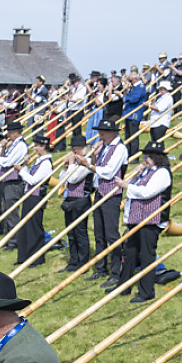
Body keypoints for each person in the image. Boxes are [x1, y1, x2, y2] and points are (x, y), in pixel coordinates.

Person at [110, 140, 172, 303]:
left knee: (146, 255)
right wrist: (134, 176)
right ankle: (123, 286)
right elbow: (133, 191)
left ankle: (146, 291)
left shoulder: (162, 173)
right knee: (129, 252)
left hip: (151, 221)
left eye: (148, 157)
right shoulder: (147, 171)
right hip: (136, 219)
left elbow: (147, 193)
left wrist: (126, 186)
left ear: (156, 158)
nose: (145, 159)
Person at [76, 119, 128, 282]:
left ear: (112, 133)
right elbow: (96, 168)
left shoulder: (120, 149)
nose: (100, 135)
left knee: (111, 234)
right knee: (99, 233)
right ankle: (101, 268)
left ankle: (116, 271)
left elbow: (109, 172)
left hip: (112, 194)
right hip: (100, 192)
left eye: (102, 132)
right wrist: (93, 156)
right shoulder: (104, 147)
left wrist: (88, 165)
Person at [14, 137, 52, 266]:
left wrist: (20, 170)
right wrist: (24, 166)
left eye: (36, 146)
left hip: (36, 198)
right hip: (29, 196)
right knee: (25, 226)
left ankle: (36, 259)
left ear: (43, 146)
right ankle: (23, 256)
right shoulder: (38, 161)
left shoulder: (46, 163)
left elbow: (33, 181)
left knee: (34, 227)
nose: (34, 148)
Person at [57, 137, 93, 271]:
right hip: (70, 199)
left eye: (75, 149)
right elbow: (63, 180)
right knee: (70, 233)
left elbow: (73, 178)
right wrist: (65, 167)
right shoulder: (75, 163)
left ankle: (83, 263)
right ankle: (73, 262)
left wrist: (71, 163)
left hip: (81, 200)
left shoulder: (87, 162)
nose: (72, 151)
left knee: (80, 233)